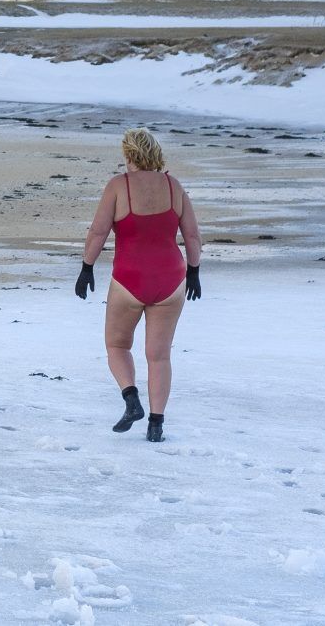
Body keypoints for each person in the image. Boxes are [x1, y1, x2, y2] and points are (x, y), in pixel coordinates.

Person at [75, 127, 203, 443]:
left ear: (128, 153)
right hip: (171, 280)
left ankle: (131, 399)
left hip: (129, 280)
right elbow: (192, 236)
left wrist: (86, 268)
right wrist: (194, 271)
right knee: (158, 356)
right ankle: (156, 425)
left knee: (117, 346)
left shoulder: (118, 186)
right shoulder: (174, 187)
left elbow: (97, 233)